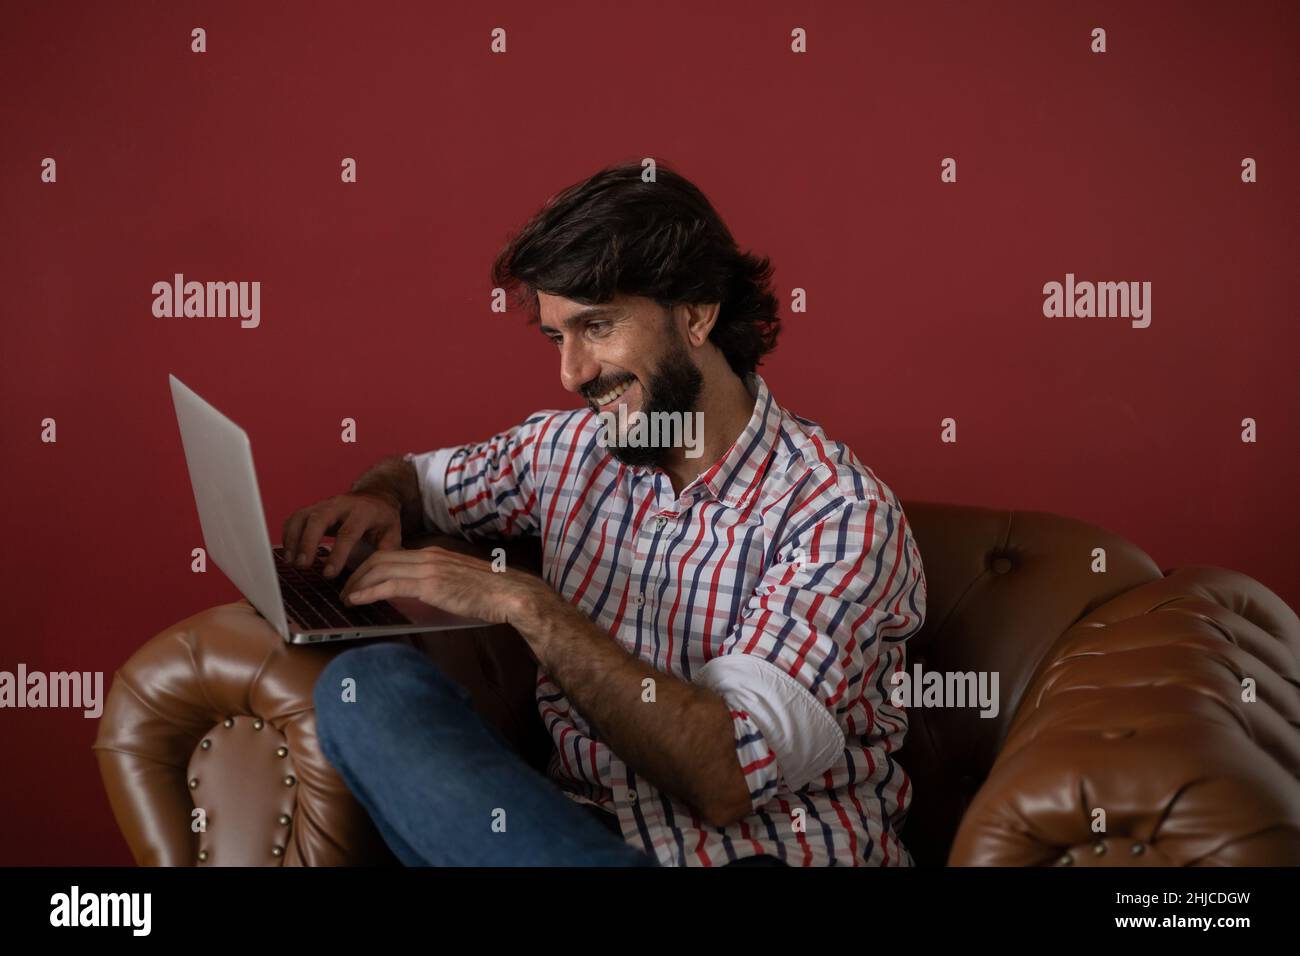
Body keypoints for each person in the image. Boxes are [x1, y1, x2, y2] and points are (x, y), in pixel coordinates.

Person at [289, 161, 927, 866]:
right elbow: (416, 478)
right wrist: (377, 497)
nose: (572, 374)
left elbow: (725, 777)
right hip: (574, 842)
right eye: (556, 337)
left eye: (597, 327)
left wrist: (526, 605)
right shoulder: (563, 451)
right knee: (369, 688)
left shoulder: (837, 513)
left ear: (695, 312)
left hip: (756, 857)